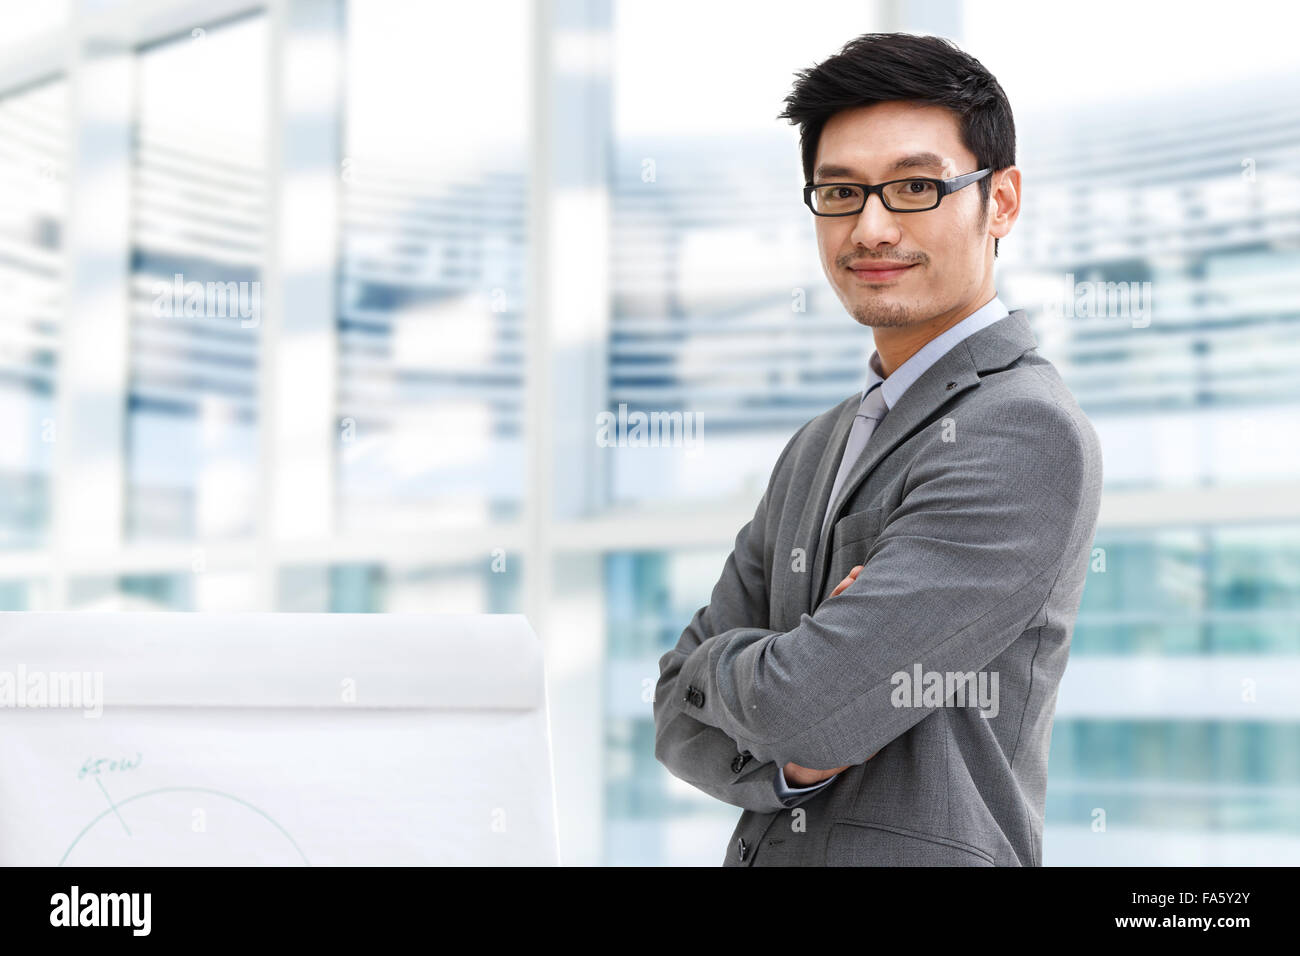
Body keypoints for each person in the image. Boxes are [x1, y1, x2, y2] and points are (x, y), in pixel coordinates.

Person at [652, 32, 1103, 866]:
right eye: (840, 192)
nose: (871, 226)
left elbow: (804, 708)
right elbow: (673, 718)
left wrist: (756, 679)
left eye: (916, 186)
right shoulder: (816, 445)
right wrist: (788, 680)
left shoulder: (1021, 428)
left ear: (1000, 200)